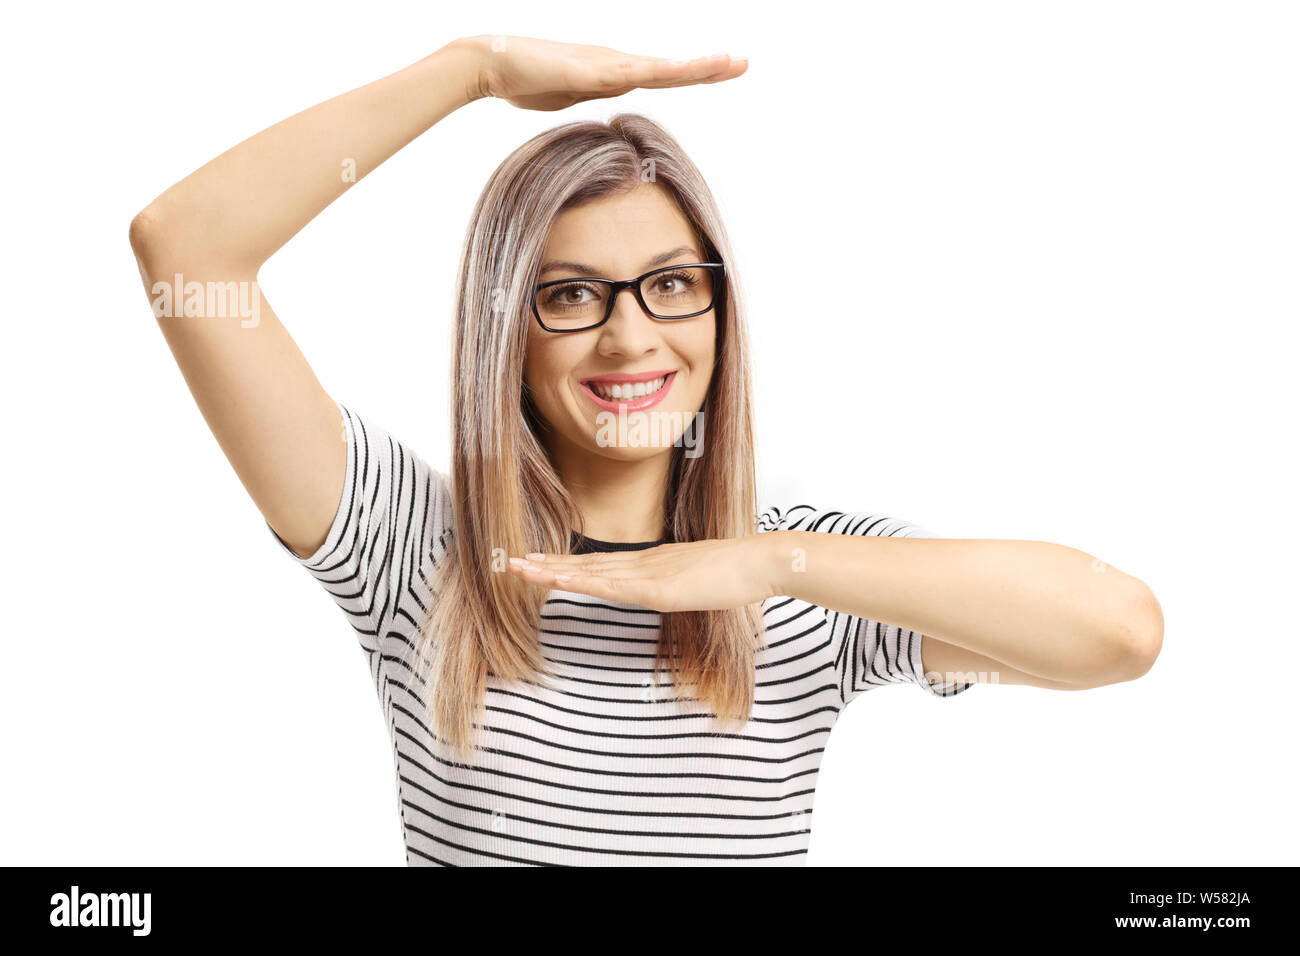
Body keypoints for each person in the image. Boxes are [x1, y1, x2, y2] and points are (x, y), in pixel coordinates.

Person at [128, 35, 1164, 866]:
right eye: (571, 294)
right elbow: (186, 248)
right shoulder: (413, 547)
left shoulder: (804, 583)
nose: (630, 336)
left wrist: (761, 562)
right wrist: (472, 71)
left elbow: (1119, 630)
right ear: (508, 328)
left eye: (671, 283)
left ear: (720, 311)